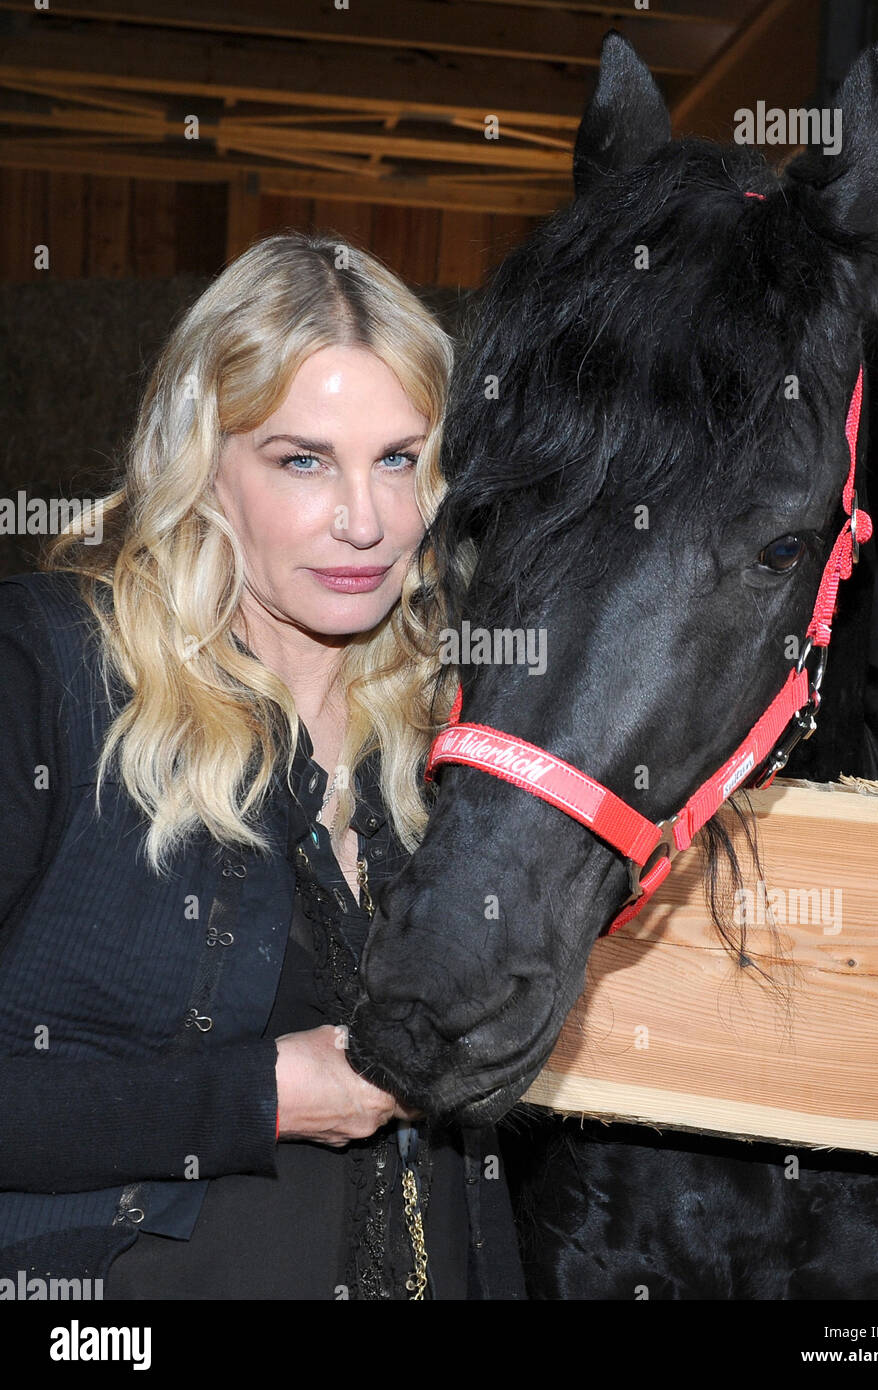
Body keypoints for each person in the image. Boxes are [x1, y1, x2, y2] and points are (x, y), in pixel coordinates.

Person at [0, 231, 525, 1300]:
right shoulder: (53, 669)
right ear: (204, 465)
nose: (365, 521)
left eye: (399, 459)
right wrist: (258, 1098)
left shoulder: (456, 725)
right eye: (302, 460)